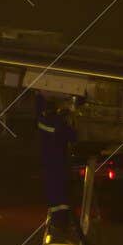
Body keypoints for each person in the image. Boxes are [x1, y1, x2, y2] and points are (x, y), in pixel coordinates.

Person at [36, 93, 77, 235]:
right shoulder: (58, 122)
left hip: (48, 162)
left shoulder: (42, 121)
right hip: (59, 162)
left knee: (54, 194)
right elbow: (72, 135)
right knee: (62, 193)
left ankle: (58, 223)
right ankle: (62, 223)